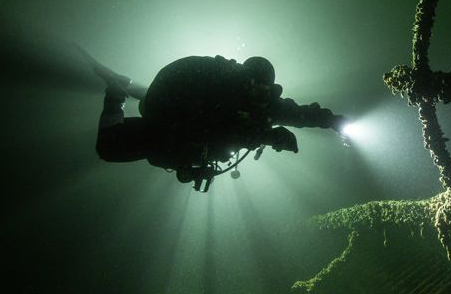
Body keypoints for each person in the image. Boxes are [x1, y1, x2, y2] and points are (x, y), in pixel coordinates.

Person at [83, 49, 346, 191]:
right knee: (107, 147)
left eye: (265, 91)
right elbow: (215, 127)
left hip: (182, 132)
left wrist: (334, 121)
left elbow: (298, 114)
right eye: (254, 88)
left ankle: (137, 90)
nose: (258, 96)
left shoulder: (262, 103)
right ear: (244, 80)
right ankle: (117, 92)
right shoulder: (220, 90)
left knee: (165, 138)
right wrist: (269, 135)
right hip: (167, 123)